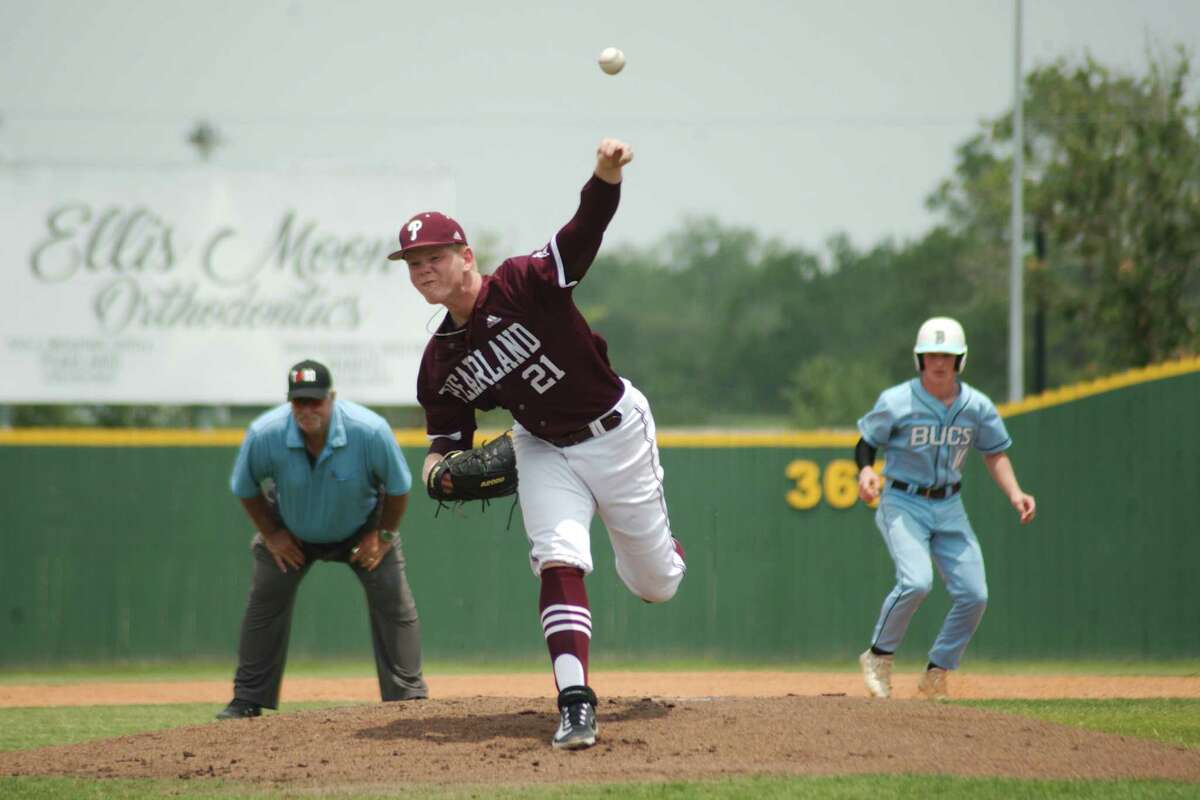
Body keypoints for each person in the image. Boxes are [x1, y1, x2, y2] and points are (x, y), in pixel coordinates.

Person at [389, 138, 686, 750]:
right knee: (558, 556)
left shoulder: (525, 282)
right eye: (412, 262)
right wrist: (434, 472)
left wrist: (604, 176)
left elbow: (584, 231)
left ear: (466, 256)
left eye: (434, 257)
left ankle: (662, 545)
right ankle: (575, 702)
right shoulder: (440, 359)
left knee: (657, 585)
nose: (422, 269)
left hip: (615, 430)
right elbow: (445, 443)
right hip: (542, 447)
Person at [216, 359, 427, 719]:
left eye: (316, 401)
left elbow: (399, 486)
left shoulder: (369, 430)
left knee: (394, 602)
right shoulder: (265, 433)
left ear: (332, 398)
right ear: (289, 402)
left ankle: (407, 699)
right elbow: (245, 486)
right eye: (300, 402)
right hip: (292, 527)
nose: (308, 409)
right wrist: (272, 534)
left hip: (363, 526)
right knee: (264, 603)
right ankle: (247, 698)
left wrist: (385, 536)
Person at [855, 317, 1036, 700]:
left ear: (961, 360)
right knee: (916, 582)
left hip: (949, 504)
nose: (940, 362)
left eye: (948, 356)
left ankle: (937, 671)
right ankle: (878, 657)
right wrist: (867, 470)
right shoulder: (897, 400)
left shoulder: (976, 406)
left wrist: (1015, 493)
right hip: (903, 501)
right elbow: (866, 441)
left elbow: (994, 453)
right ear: (920, 359)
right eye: (932, 355)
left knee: (975, 594)